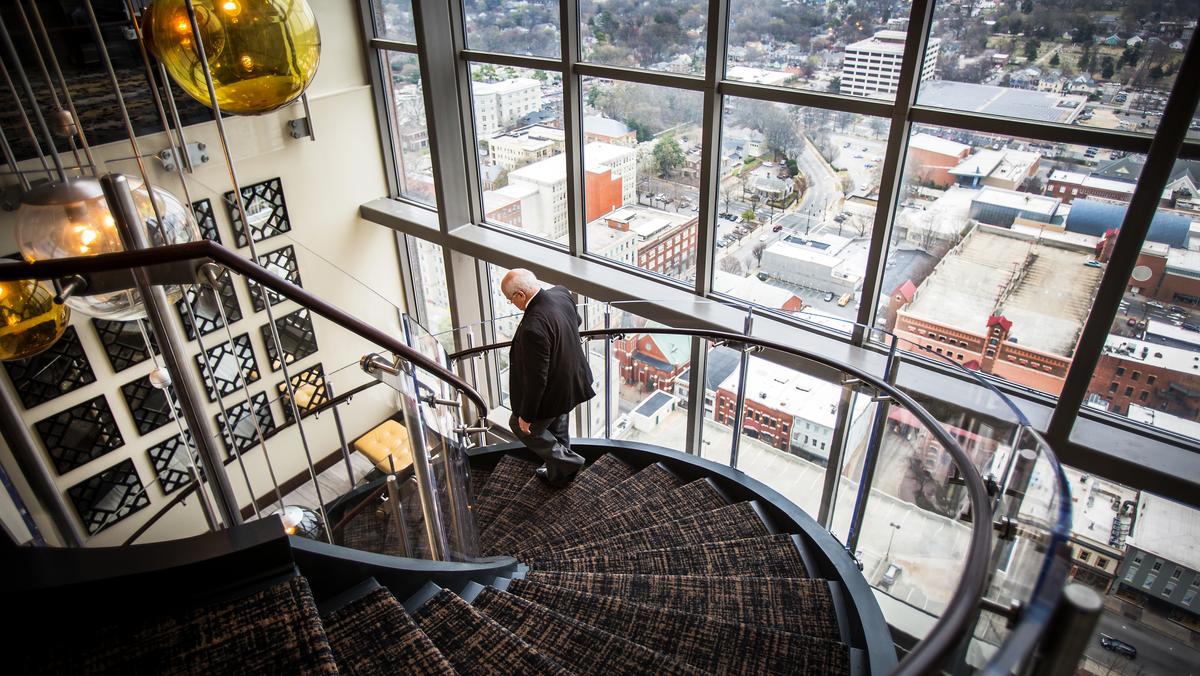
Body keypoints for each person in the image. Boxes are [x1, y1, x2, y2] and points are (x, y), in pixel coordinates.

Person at [501, 268, 595, 487]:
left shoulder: (533, 327)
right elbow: (576, 321)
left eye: (510, 299)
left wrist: (526, 415)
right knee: (558, 429)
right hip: (572, 379)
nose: (512, 304)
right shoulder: (561, 293)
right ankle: (560, 476)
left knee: (518, 425)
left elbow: (537, 379)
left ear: (520, 295)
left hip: (553, 390)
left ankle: (568, 462)